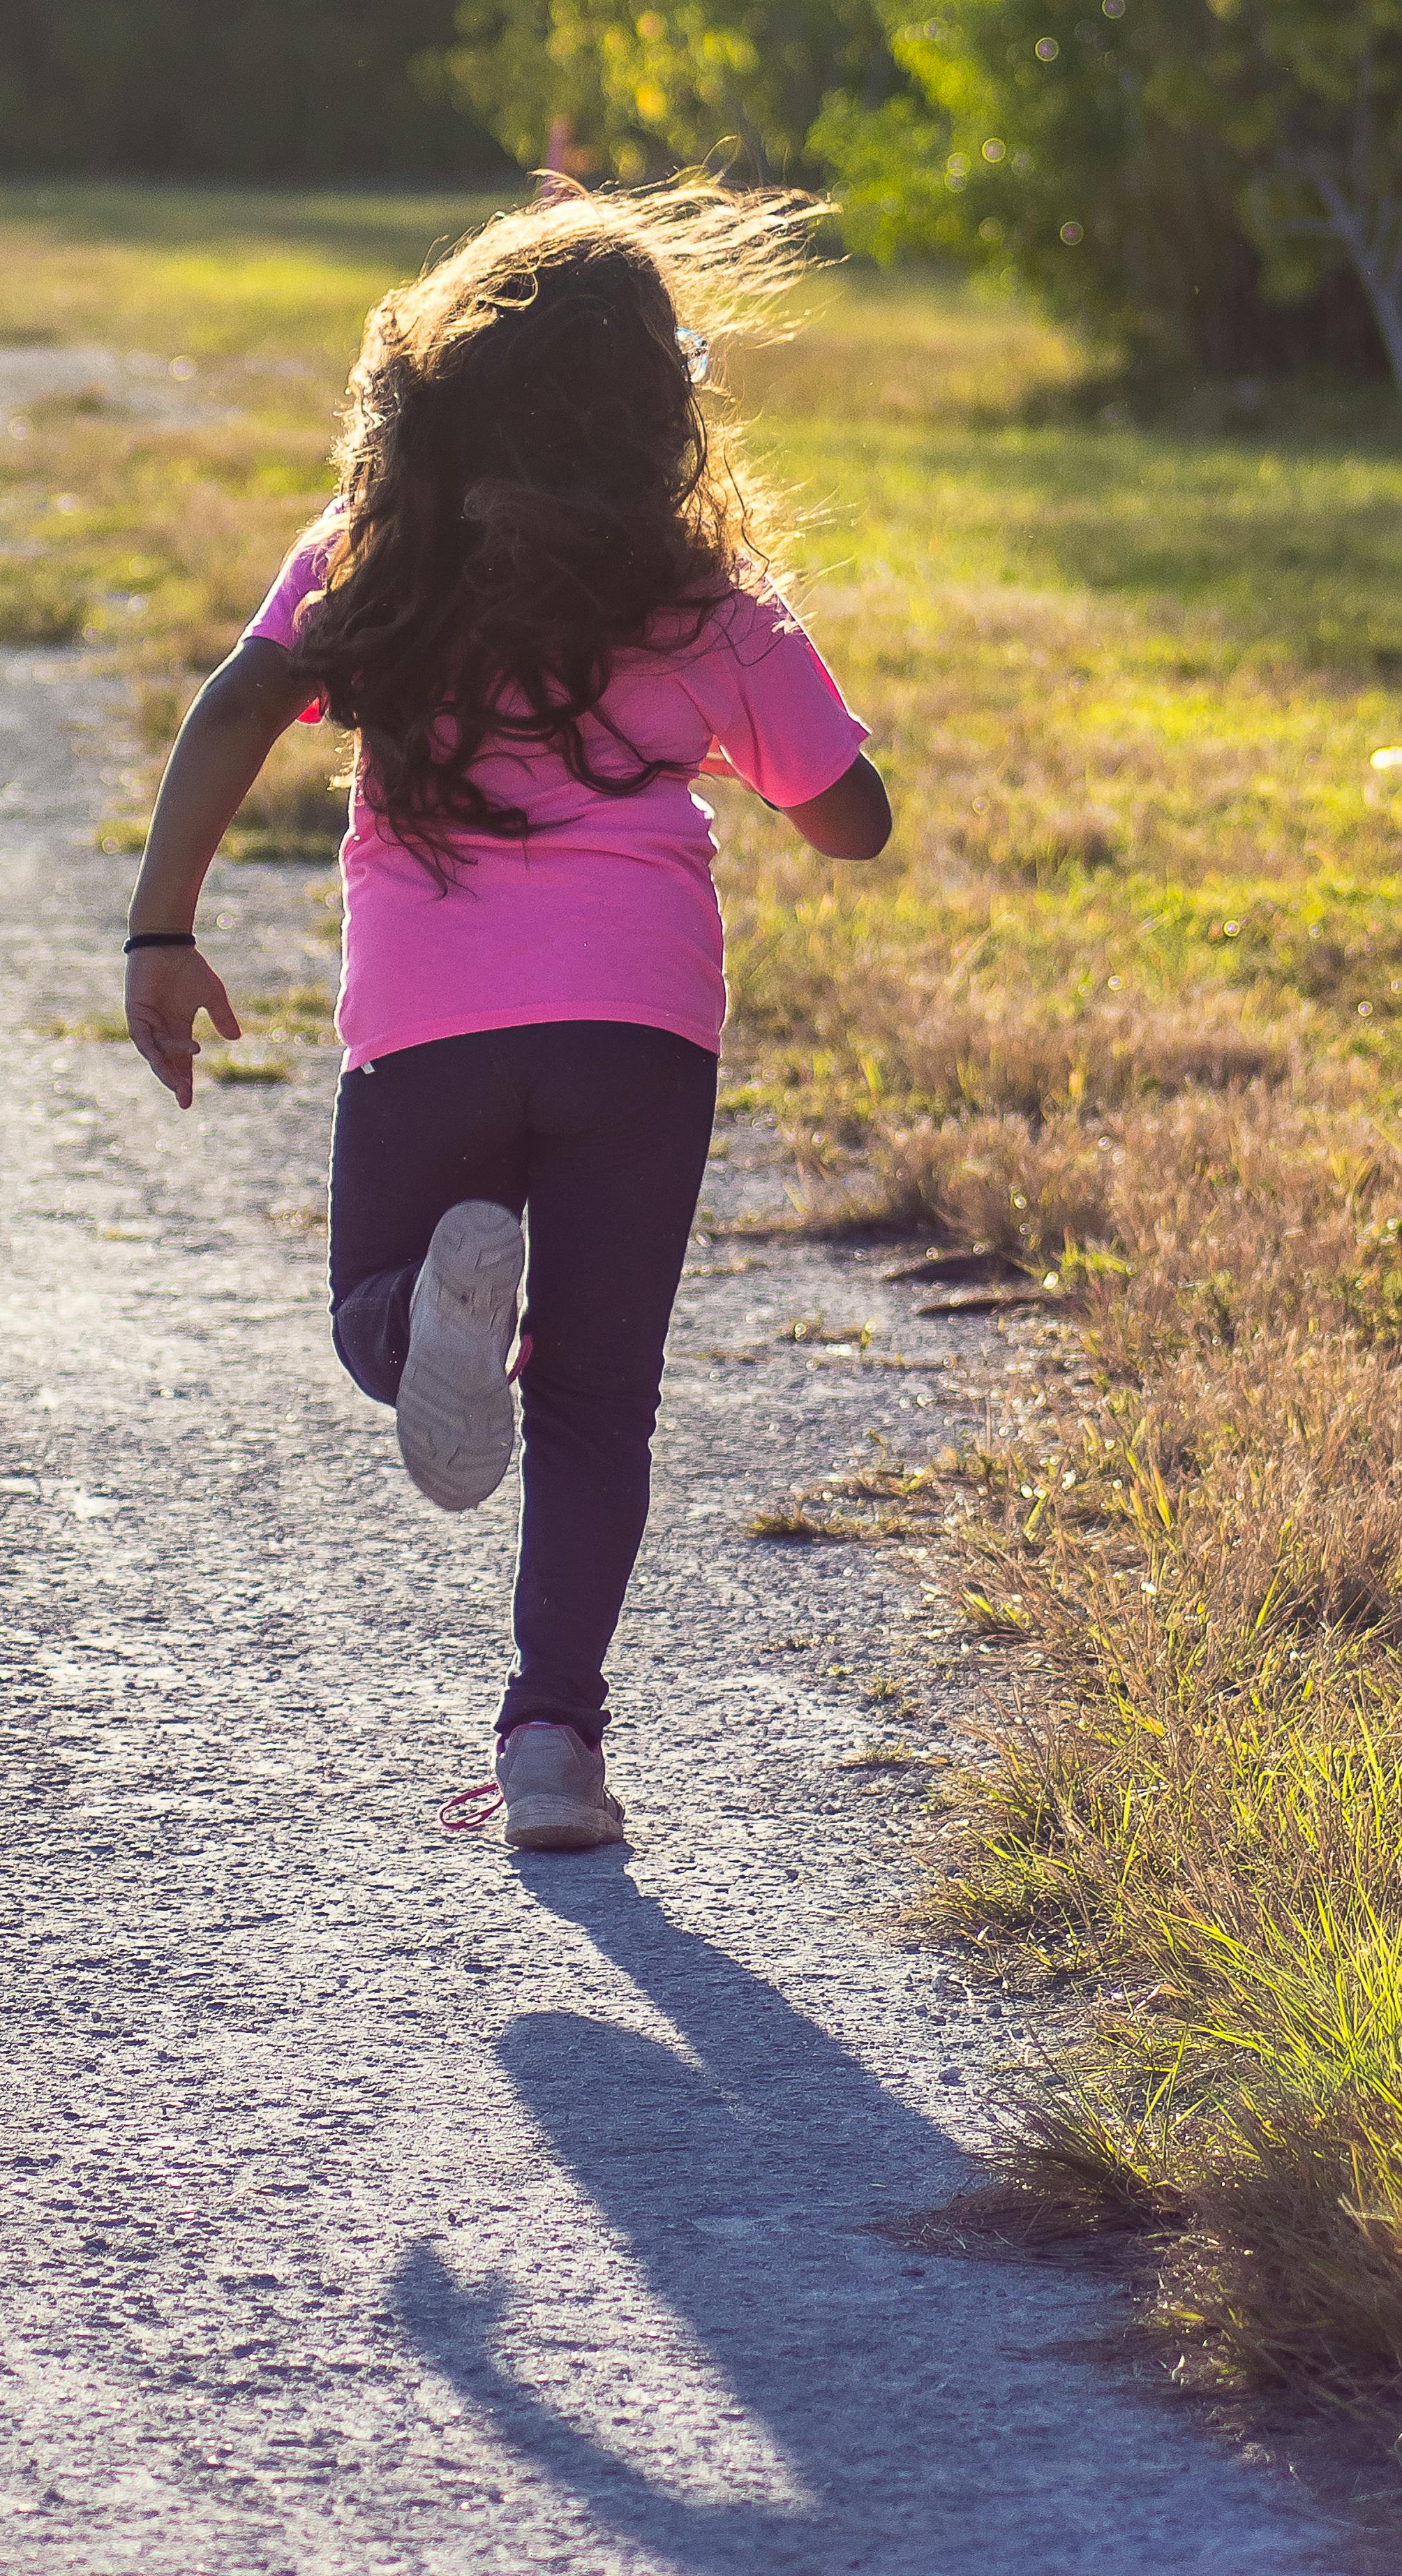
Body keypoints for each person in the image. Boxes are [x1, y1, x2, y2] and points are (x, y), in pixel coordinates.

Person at [119, 184, 891, 1852]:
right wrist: (787, 719)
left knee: (369, 1320)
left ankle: (420, 1326)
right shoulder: (709, 602)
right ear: (659, 415)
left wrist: (161, 931)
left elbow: (240, 700)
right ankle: (551, 1746)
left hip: (431, 1021)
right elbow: (850, 821)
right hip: (637, 1031)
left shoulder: (374, 565)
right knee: (596, 1397)